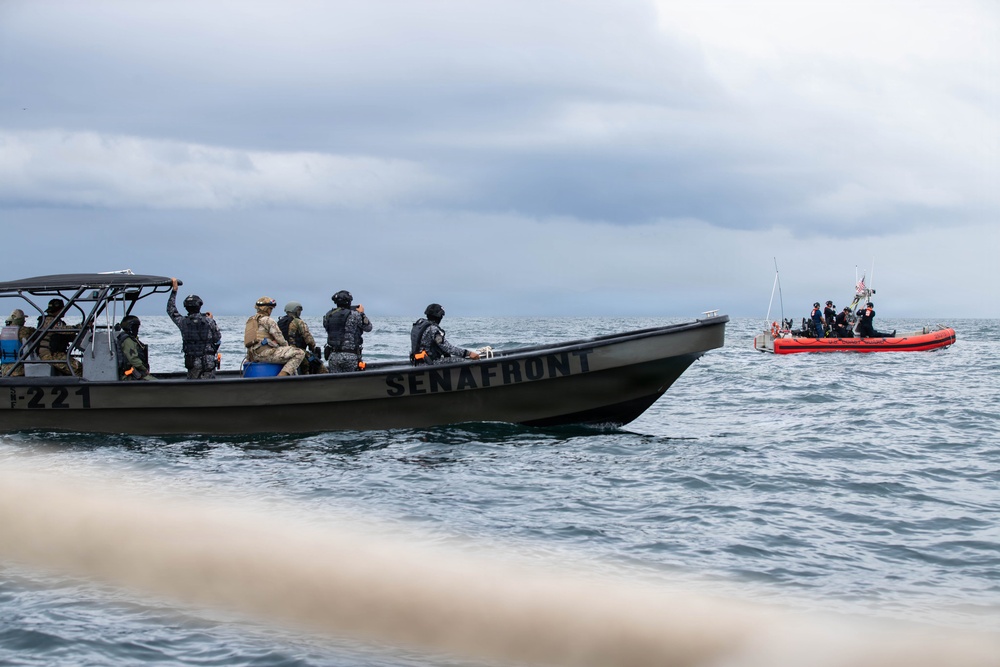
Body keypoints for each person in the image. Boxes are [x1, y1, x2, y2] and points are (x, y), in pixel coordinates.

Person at [168, 278, 222, 379]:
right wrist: (210, 320)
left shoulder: (182, 322)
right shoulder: (209, 321)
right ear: (199, 306)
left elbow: (171, 310)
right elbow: (217, 338)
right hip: (208, 362)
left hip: (192, 363)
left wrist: (174, 291)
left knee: (193, 386)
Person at [244, 296, 305, 376]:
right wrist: (287, 348)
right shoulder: (268, 320)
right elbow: (280, 339)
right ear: (266, 309)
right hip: (265, 354)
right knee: (299, 353)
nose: (271, 311)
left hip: (252, 355)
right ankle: (281, 376)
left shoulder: (250, 320)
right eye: (270, 308)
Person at [410, 303, 481, 365]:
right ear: (439, 316)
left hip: (418, 362)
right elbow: (448, 348)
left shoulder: (420, 324)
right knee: (464, 361)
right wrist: (468, 353)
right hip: (430, 363)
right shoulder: (433, 329)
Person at [323, 290, 372, 373]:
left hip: (333, 356)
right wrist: (362, 313)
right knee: (352, 383)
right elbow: (368, 327)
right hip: (350, 356)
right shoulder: (355, 315)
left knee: (336, 382)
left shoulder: (328, 315)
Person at [35, 298, 82, 375]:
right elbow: (63, 330)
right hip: (50, 355)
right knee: (77, 368)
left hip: (54, 354)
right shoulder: (50, 320)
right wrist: (80, 327)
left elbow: (63, 335)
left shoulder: (53, 320)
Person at [278, 301, 324, 374]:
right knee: (319, 366)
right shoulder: (298, 322)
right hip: (298, 351)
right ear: (294, 310)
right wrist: (313, 348)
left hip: (283, 351)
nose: (300, 312)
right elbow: (308, 338)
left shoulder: (280, 322)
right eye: (299, 310)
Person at [115, 315, 155, 380]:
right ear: (130, 327)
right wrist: (144, 369)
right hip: (130, 376)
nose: (137, 329)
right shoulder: (127, 341)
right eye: (136, 327)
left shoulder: (132, 339)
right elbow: (133, 359)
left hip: (137, 374)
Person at [1, 309, 36, 377]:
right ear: (20, 320)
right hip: (18, 368)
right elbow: (37, 333)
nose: (24, 321)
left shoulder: (3, 333)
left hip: (4, 368)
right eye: (23, 319)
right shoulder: (23, 331)